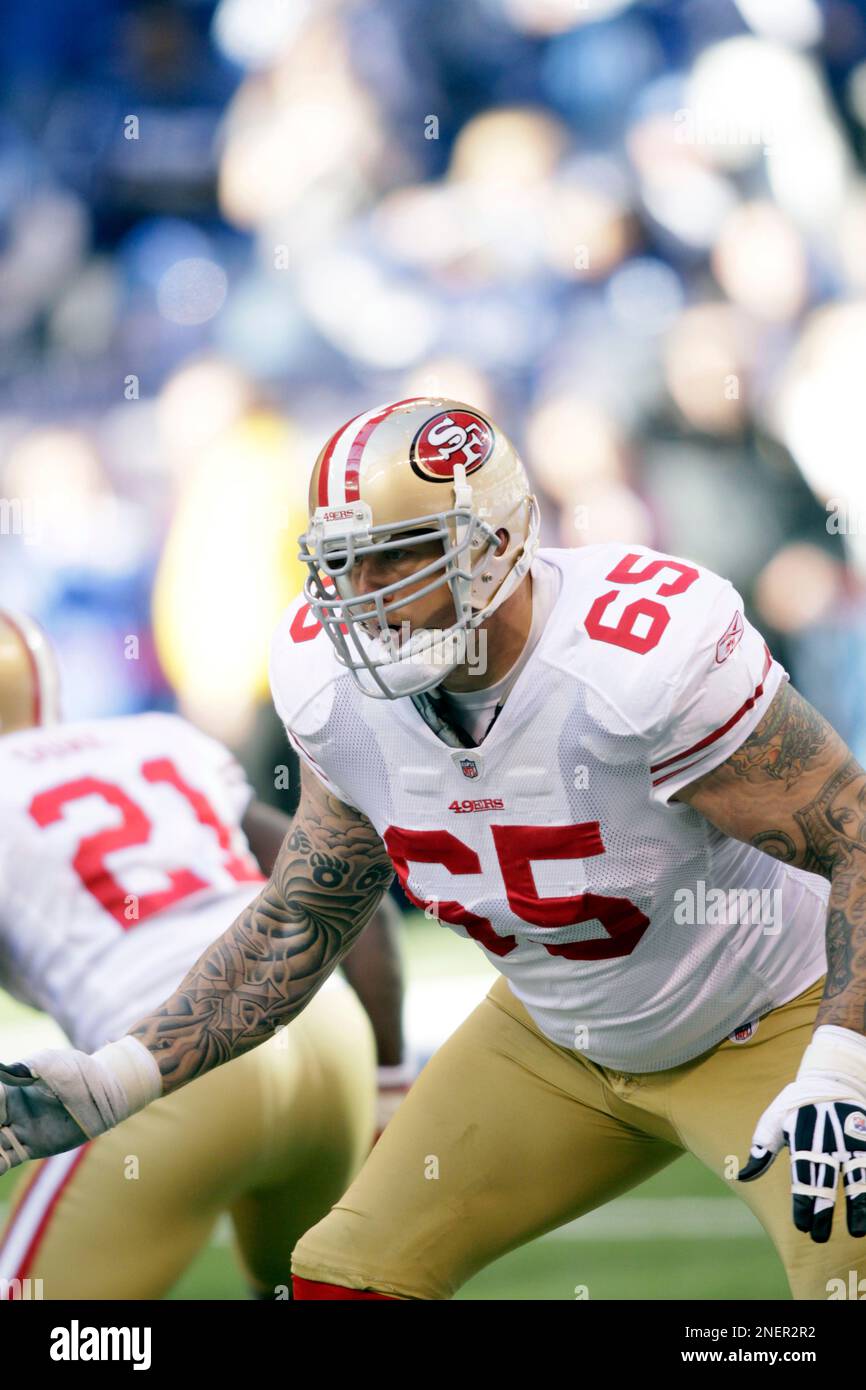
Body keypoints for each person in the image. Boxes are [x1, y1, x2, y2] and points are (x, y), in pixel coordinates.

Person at [2, 397, 865, 1302]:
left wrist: (843, 1061)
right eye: (340, 559)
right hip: (554, 1036)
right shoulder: (331, 684)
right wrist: (116, 1078)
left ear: (496, 541)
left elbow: (854, 841)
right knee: (345, 1279)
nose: (361, 592)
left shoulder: (638, 656)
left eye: (399, 551)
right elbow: (308, 914)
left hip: (773, 1017)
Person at [0, 611, 402, 1299]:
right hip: (326, 1029)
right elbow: (344, 897)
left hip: (162, 1059)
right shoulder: (158, 737)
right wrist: (387, 1082)